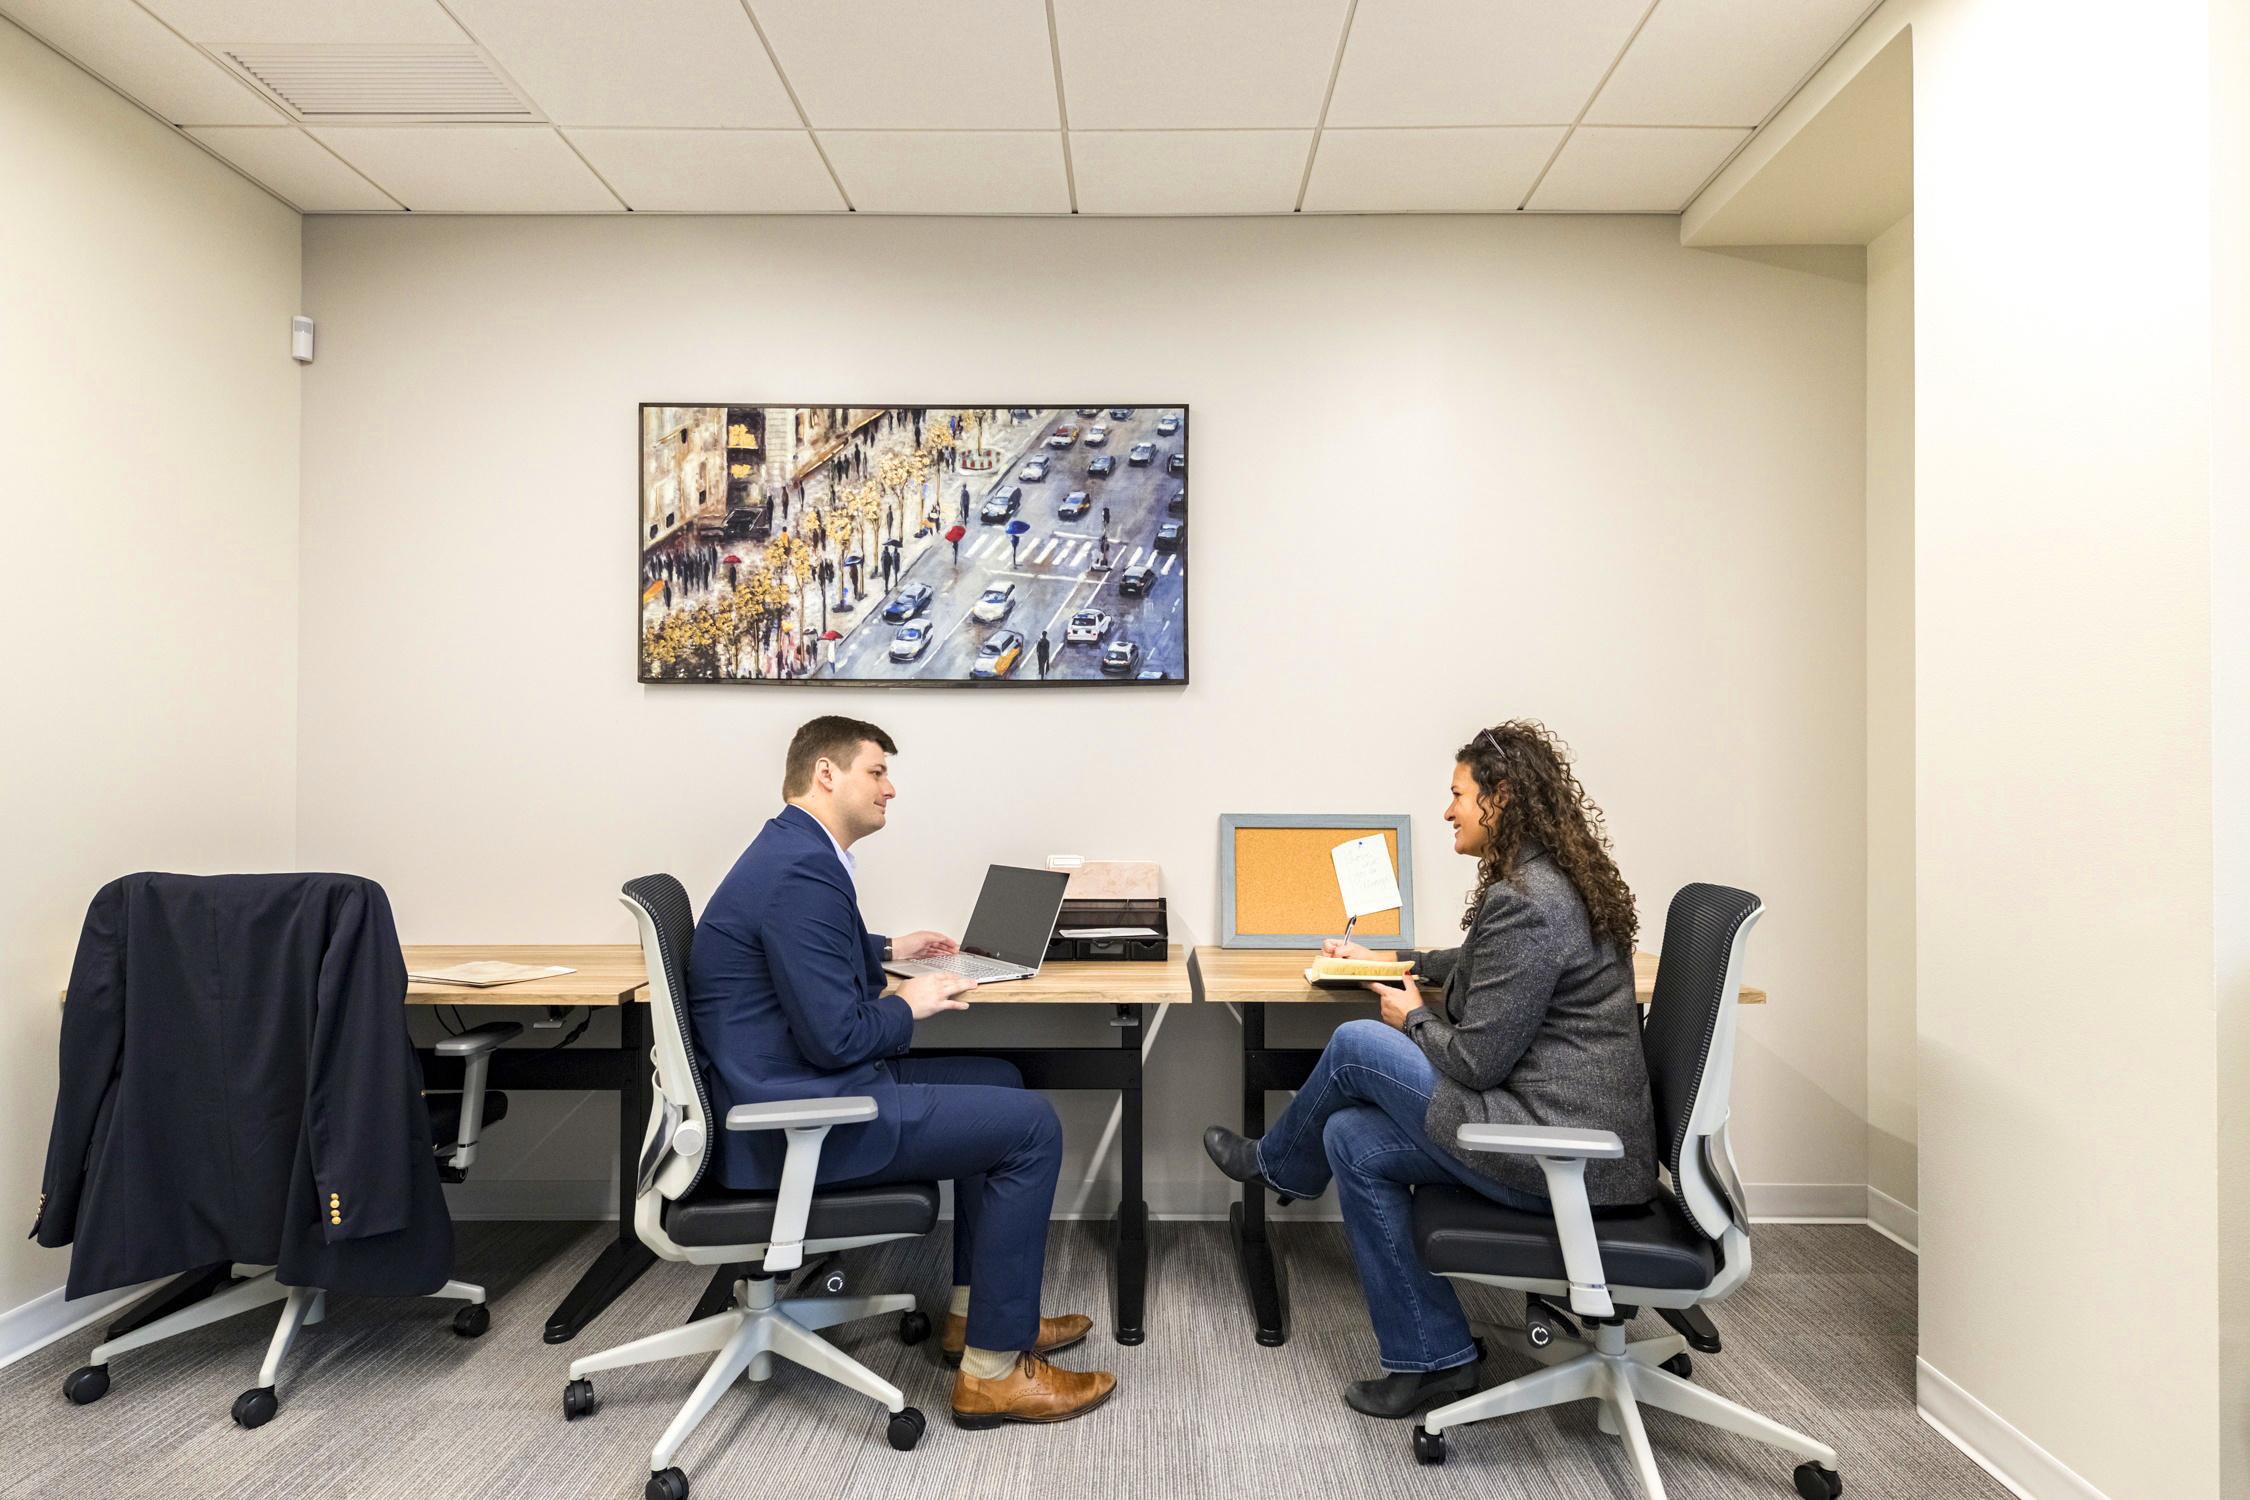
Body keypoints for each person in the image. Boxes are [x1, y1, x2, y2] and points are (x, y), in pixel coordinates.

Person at [1203, 720, 1657, 1418]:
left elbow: (1475, 1062)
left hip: (1563, 1156)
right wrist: (1392, 963)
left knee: (1358, 1041)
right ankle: (1433, 1357)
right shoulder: (1547, 883)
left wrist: (1412, 1016)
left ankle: (1276, 1166)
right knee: (1352, 1137)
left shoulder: (1530, 904)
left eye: (1459, 795)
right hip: (1570, 1137)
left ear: (1500, 799)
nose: (1448, 811)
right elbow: (1481, 964)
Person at [688, 716, 1116, 1428]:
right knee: (1031, 1127)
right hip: (798, 1123)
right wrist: (910, 1002)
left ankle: (978, 1319)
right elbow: (836, 1039)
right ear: (827, 774)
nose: (891, 789)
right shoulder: (803, 870)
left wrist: (889, 947)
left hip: (780, 1096)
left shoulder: (791, 852)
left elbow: (804, 947)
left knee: (1002, 1081)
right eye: (877, 771)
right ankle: (994, 1376)